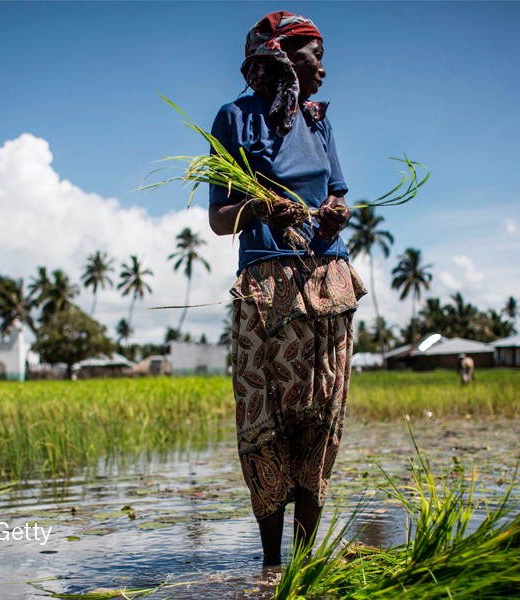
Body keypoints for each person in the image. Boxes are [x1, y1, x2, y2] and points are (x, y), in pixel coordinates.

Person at [207, 11, 365, 567]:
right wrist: (259, 206)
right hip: (265, 289)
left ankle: (302, 564)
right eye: (313, 54)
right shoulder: (235, 119)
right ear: (280, 55)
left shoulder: (320, 122)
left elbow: (339, 198)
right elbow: (220, 219)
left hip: (327, 286)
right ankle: (271, 566)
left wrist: (335, 215)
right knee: (263, 421)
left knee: (319, 421)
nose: (322, 66)